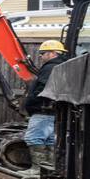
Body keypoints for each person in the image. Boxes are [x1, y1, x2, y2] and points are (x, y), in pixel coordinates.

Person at [22, 39, 68, 170]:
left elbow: (42, 88)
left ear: (52, 53)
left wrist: (31, 102)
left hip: (42, 110)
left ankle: (37, 171)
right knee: (49, 141)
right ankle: (48, 171)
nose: (41, 56)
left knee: (33, 138)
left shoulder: (50, 67)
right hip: (53, 111)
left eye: (43, 53)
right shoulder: (63, 66)